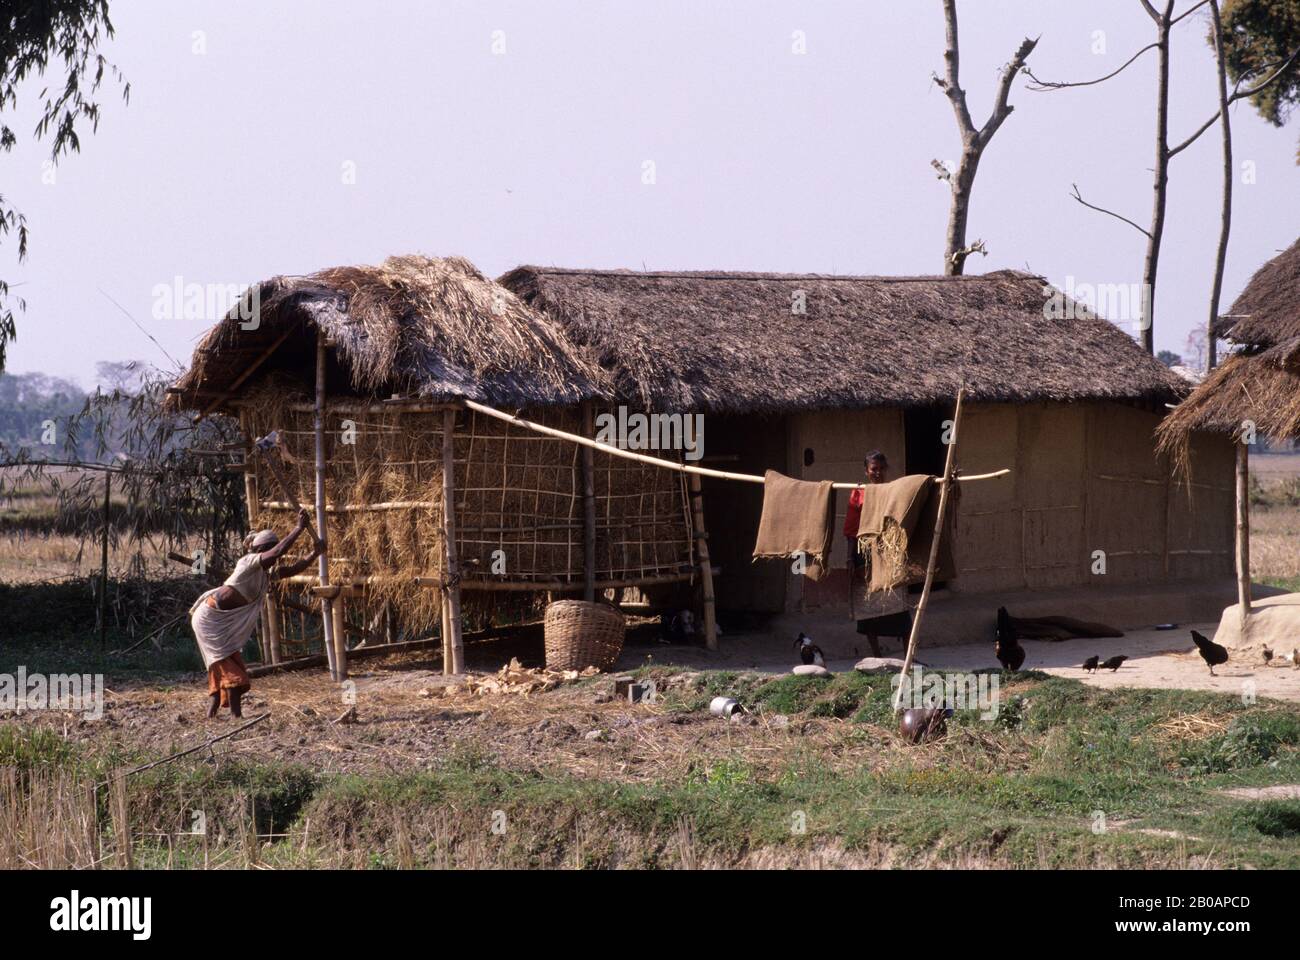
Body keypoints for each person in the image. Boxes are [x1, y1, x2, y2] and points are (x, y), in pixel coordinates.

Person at [190, 509, 320, 718]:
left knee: (225, 663)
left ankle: (211, 715)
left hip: (220, 623)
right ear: (261, 550)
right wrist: (299, 528)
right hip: (210, 620)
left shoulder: (264, 574)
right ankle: (236, 716)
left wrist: (315, 553)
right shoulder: (248, 562)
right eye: (269, 549)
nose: (275, 557)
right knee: (232, 670)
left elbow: (291, 570)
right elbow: (278, 552)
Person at [845, 451, 912, 657]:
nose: (878, 472)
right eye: (874, 469)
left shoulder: (893, 491)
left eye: (882, 468)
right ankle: (876, 655)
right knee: (868, 604)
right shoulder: (858, 494)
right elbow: (851, 528)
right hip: (863, 552)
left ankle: (908, 655)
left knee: (897, 601)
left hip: (888, 550)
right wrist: (849, 557)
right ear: (866, 471)